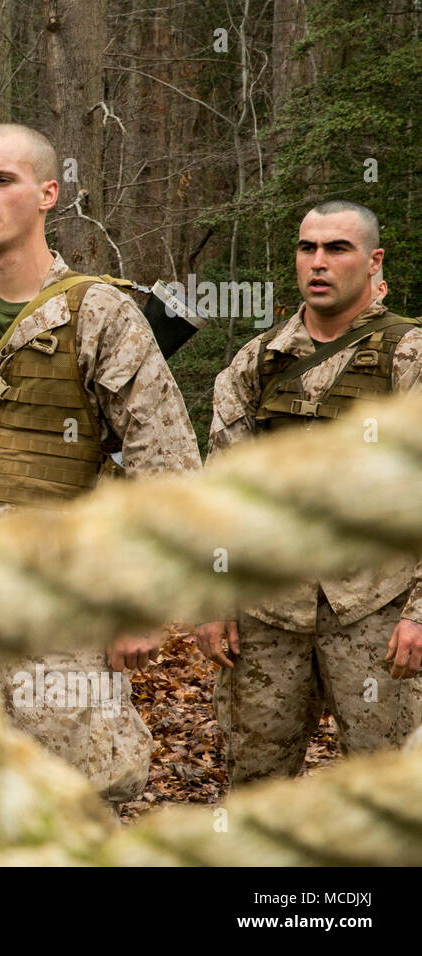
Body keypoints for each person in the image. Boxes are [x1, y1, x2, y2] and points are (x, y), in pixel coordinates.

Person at [0, 124, 202, 805]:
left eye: (2, 181)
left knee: (83, 789)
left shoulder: (101, 315)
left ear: (47, 193)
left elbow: (168, 467)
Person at [197, 200, 422, 785]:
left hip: (378, 609)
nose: (318, 262)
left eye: (337, 248)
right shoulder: (257, 363)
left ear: (374, 261)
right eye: (307, 248)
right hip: (267, 614)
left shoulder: (409, 356)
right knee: (255, 791)